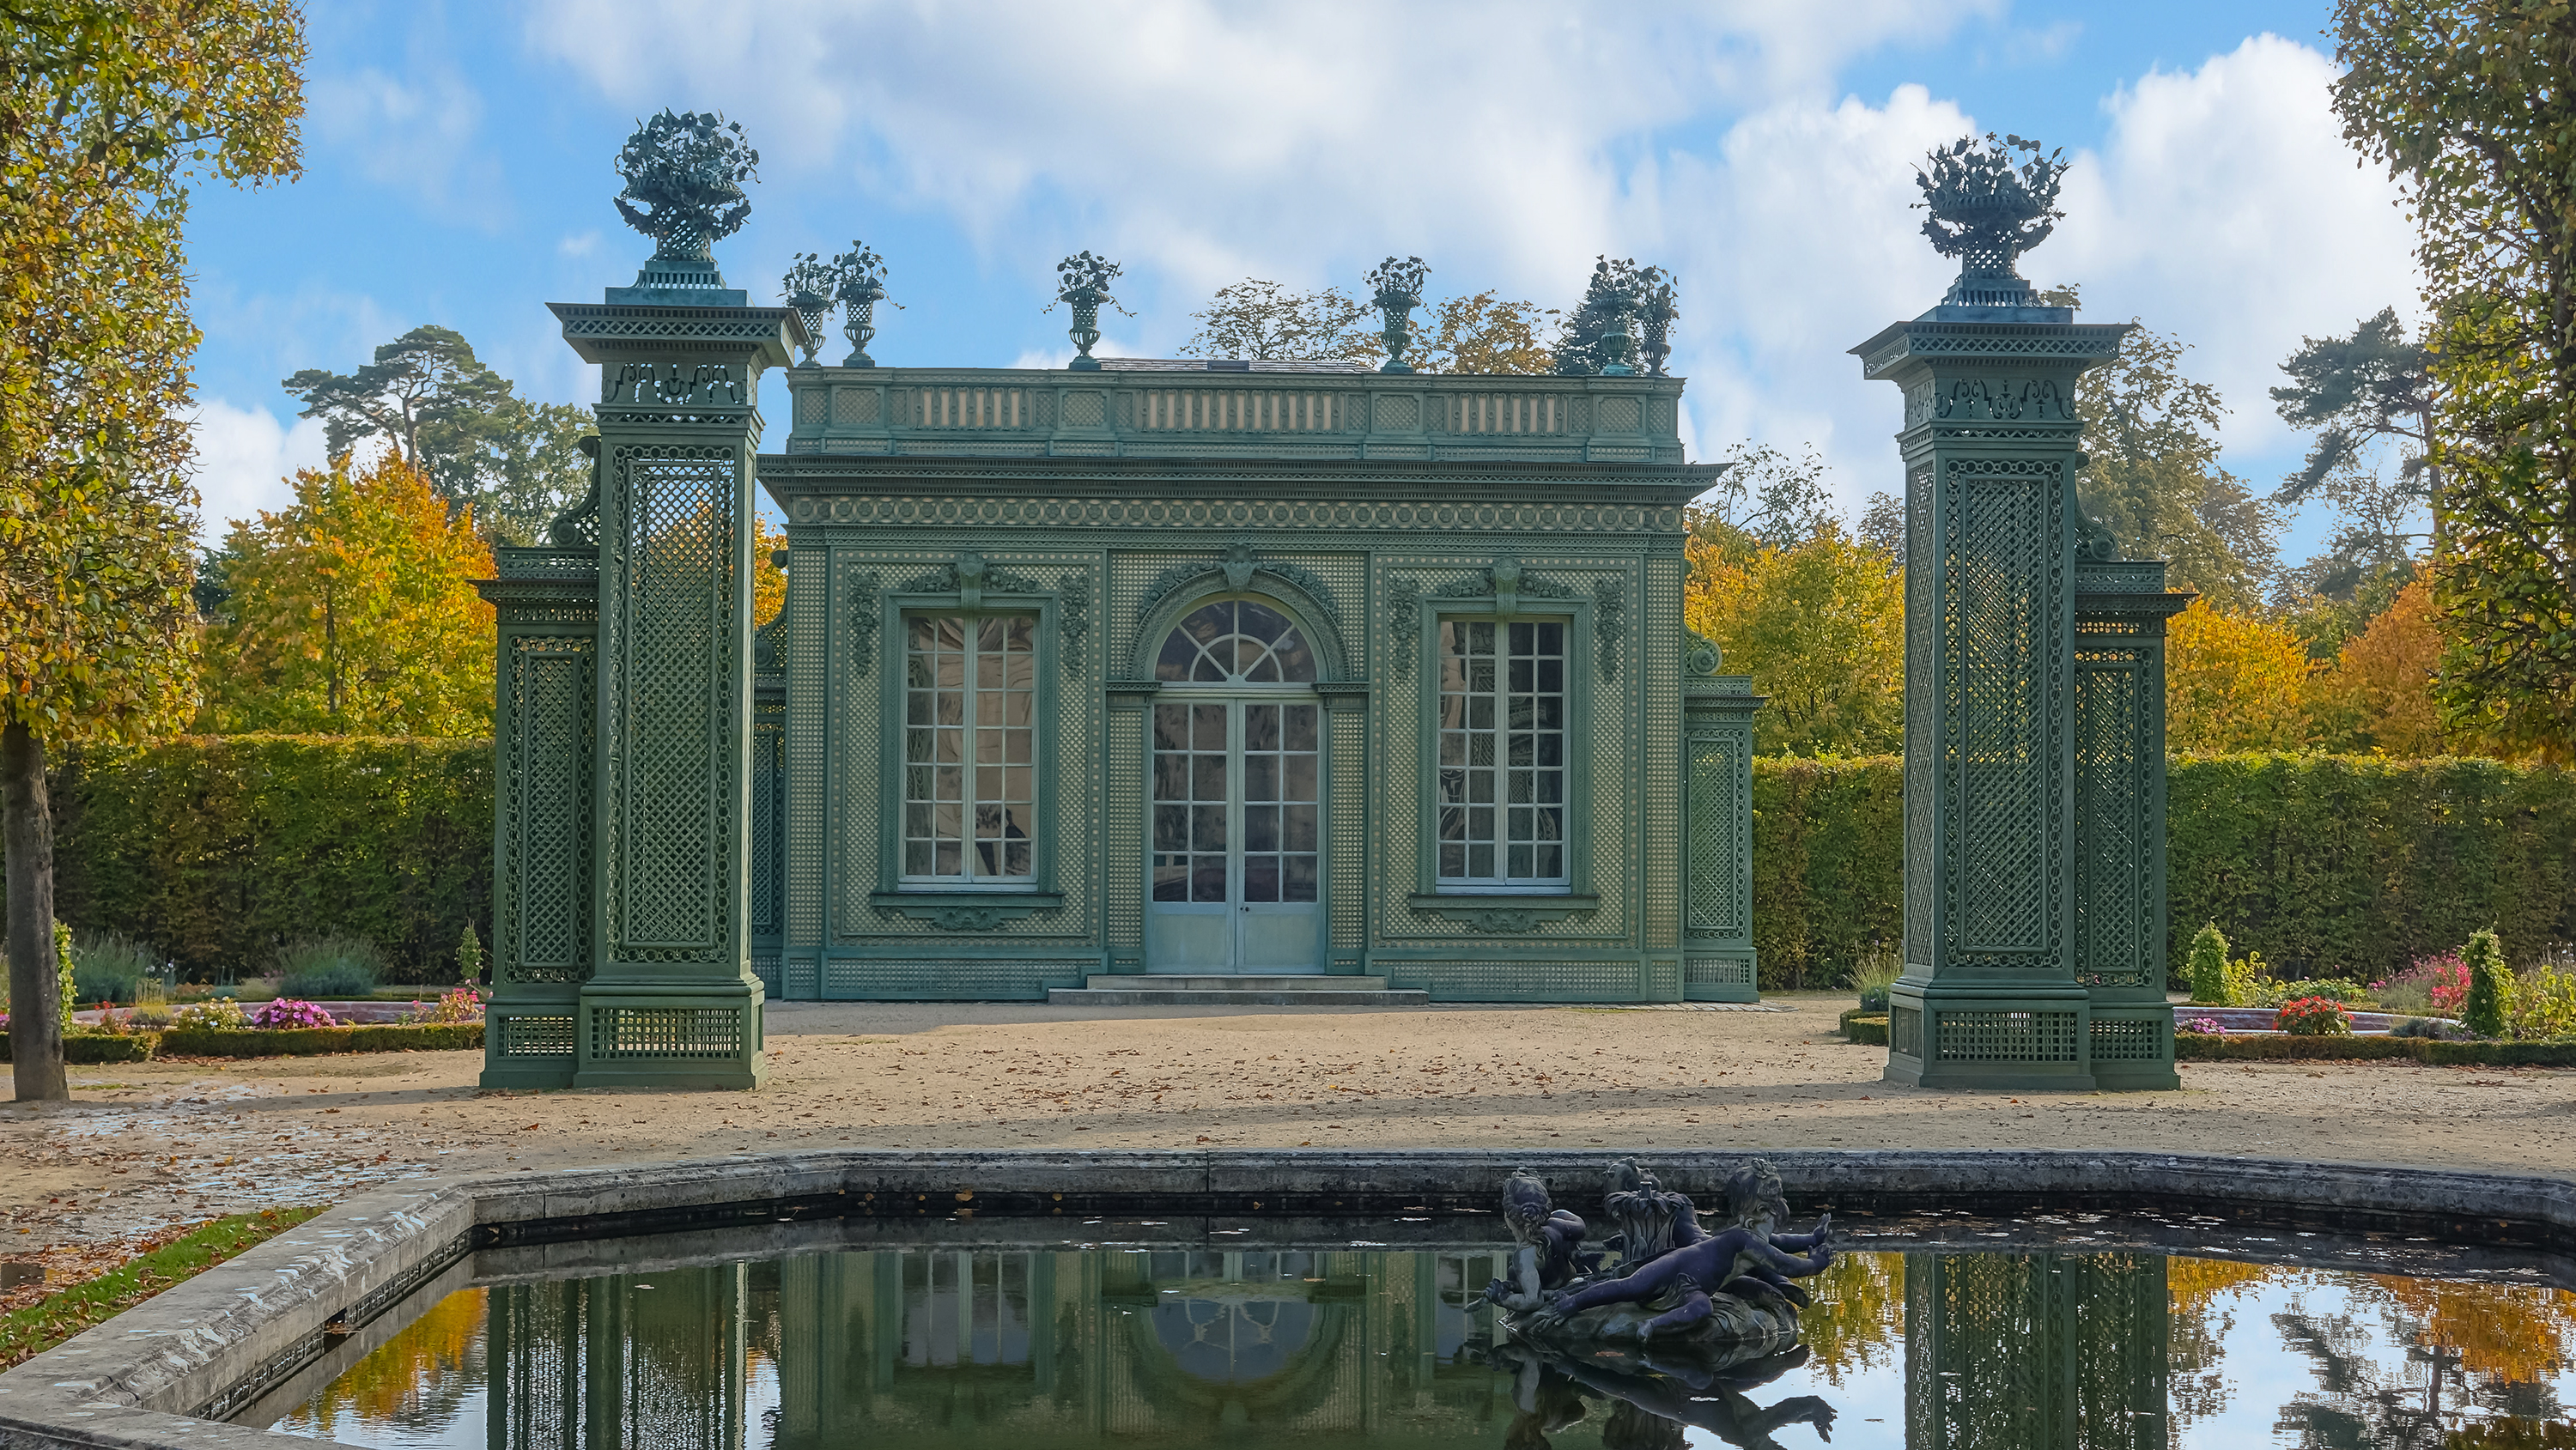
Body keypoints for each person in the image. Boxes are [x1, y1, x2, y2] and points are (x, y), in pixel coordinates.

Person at [1533, 1214, 1833, 1340]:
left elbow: (1780, 1243)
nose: (1773, 1228)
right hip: (1673, 1268)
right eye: (1770, 1221)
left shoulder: (1752, 1238)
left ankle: (1652, 1326)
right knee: (1632, 1286)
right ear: (1755, 1221)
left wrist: (1813, 1238)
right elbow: (1787, 1265)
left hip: (1693, 1288)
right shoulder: (1744, 1240)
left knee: (1703, 1307)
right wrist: (1817, 1262)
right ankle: (1572, 1303)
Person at [1485, 1169, 1591, 1312]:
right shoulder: (1557, 1226)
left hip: (1554, 1304)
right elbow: (1581, 1227)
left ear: (1509, 1217)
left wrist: (1501, 1297)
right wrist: (1557, 1214)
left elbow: (1533, 1301)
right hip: (1572, 1285)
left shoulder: (1525, 1255)